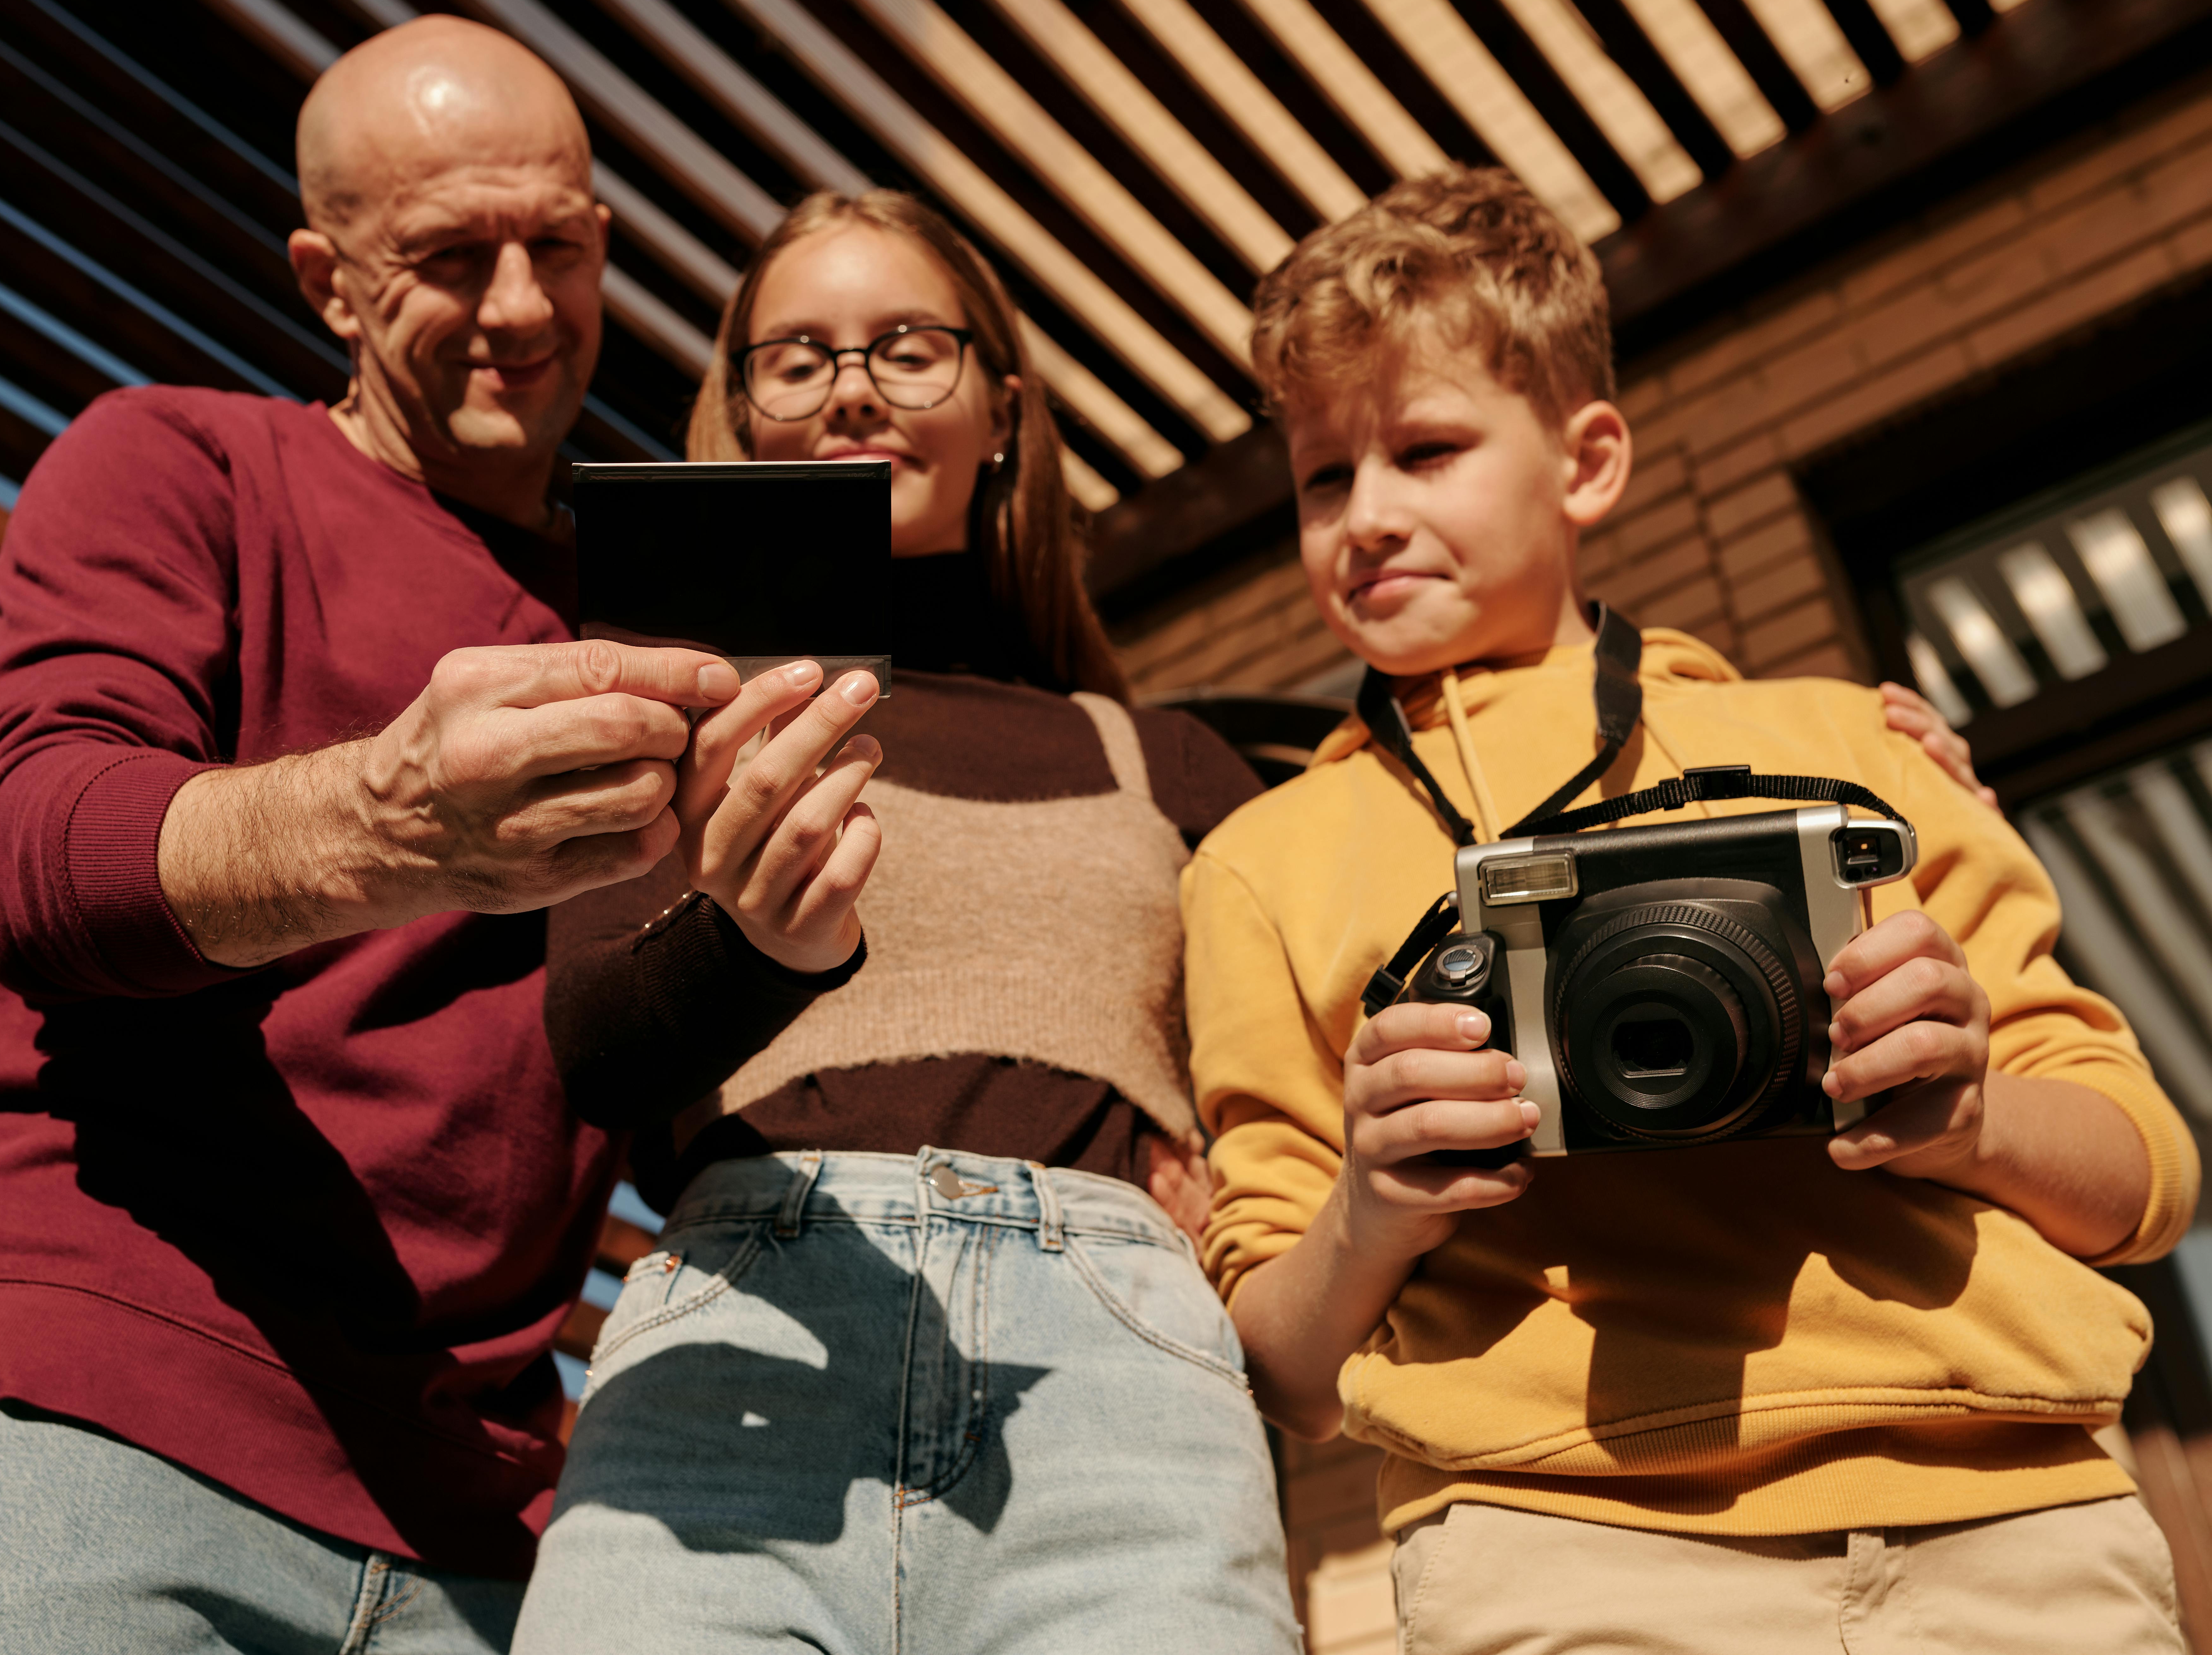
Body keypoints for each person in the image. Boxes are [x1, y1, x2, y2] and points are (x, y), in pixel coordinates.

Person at [0, 18, 733, 1652]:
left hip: (478, 1526)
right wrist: (393, 822)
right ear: (329, 279)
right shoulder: (182, 459)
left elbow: (648, 1095)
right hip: (75, 1409)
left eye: (558, 245)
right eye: (448, 254)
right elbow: (32, 853)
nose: (519, 307)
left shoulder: (650, 619)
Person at [1183, 166, 2199, 1652]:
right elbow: (1278, 1368)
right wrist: (1371, 1203)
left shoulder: (1851, 749)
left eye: (1425, 447)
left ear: (1585, 461)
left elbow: (2145, 1175)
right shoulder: (1259, 861)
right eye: (1324, 477)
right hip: (1556, 1550)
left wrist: (1969, 1115)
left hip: (2013, 1520)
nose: (1369, 517)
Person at [513, 190, 1304, 1652]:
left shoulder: (1167, 760)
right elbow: (591, 1059)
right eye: (796, 358)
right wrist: (749, 943)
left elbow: (1306, 1051)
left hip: (1110, 1390)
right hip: (737, 1356)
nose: (852, 389)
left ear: (1001, 410)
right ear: (741, 414)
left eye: (904, 347)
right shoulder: (669, 706)